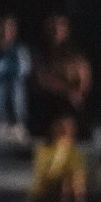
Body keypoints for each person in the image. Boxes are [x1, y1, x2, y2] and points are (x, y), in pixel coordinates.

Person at [30, 13, 92, 141]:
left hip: (69, 99)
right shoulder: (39, 53)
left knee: (74, 104)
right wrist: (65, 89)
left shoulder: (75, 53)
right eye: (53, 27)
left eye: (60, 27)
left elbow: (84, 78)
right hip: (46, 96)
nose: (56, 31)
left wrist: (78, 91)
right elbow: (41, 79)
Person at [28, 113, 90, 202]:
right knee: (64, 183)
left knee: (71, 181)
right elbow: (50, 173)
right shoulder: (43, 149)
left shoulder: (76, 151)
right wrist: (63, 147)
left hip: (69, 196)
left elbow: (79, 176)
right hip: (44, 195)